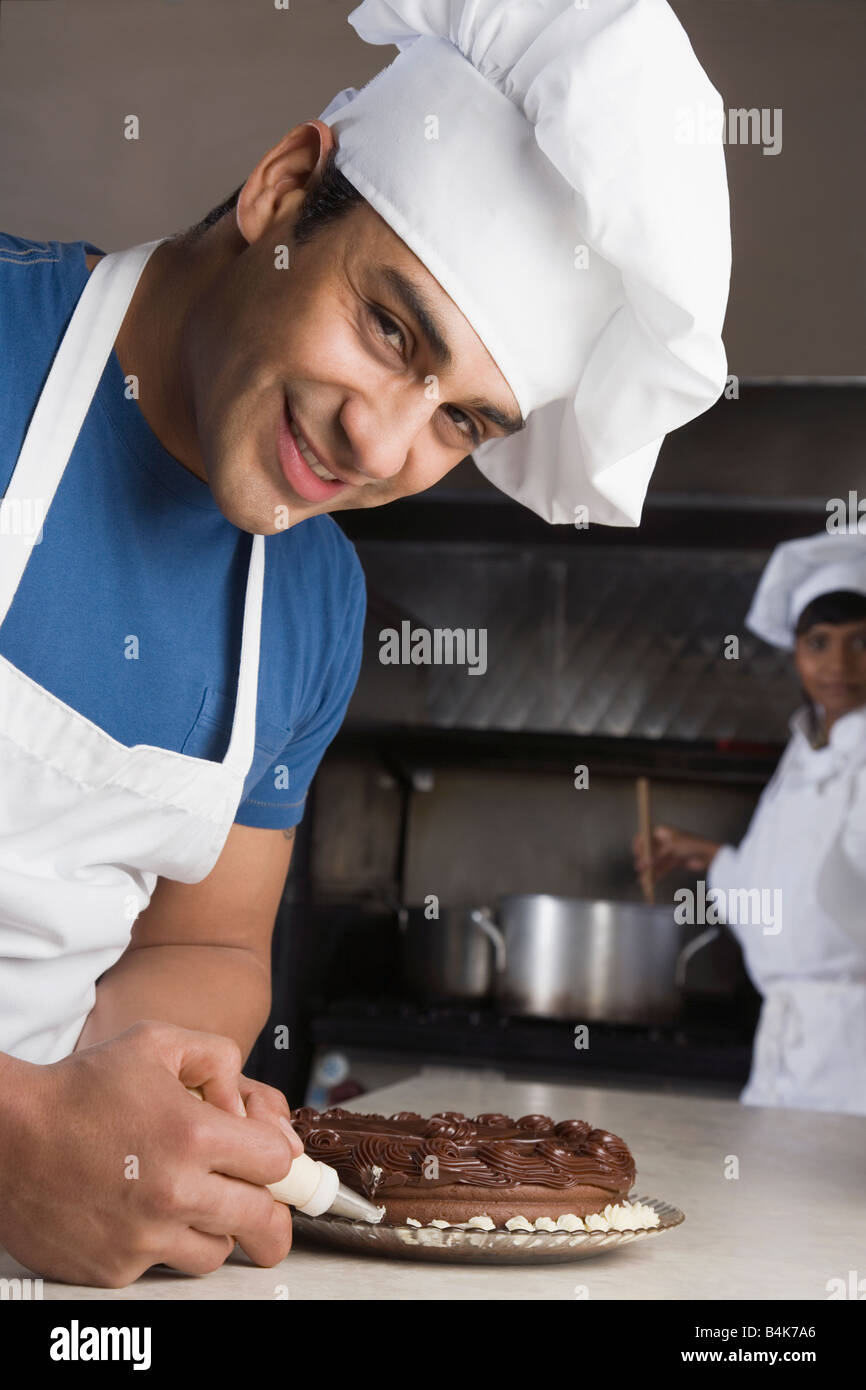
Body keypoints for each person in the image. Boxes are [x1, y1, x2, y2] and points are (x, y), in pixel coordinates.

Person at [0, 0, 730, 1284]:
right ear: (285, 191)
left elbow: (206, 944)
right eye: (392, 332)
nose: (382, 447)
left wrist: (144, 1118)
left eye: (462, 424)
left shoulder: (312, 605)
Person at [634, 533, 866, 1116]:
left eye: (862, 643)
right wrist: (712, 858)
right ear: (795, 653)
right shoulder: (806, 749)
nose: (839, 666)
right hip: (785, 1050)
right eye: (819, 644)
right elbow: (786, 898)